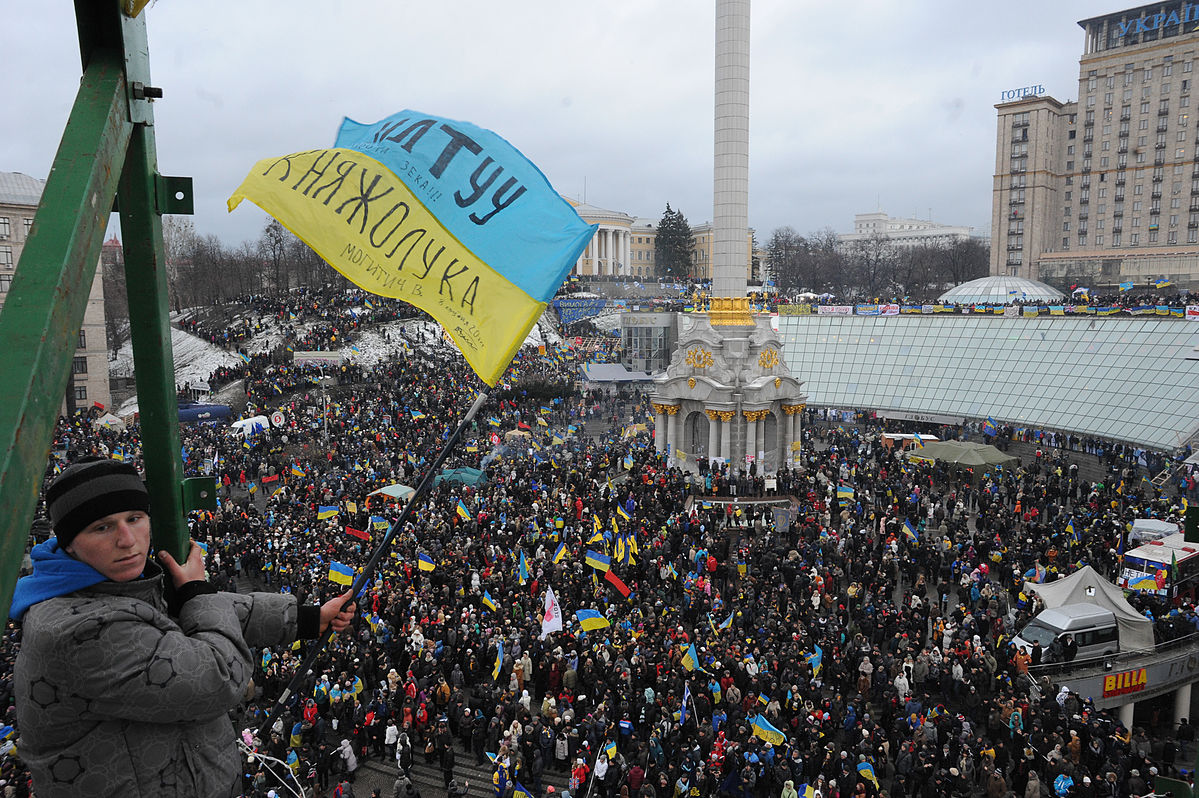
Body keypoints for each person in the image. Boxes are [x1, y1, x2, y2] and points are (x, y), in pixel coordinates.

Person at [11, 458, 356, 798]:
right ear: (70, 540)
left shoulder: (103, 581)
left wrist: (309, 618)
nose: (128, 540)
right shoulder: (77, 630)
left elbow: (191, 610)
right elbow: (218, 676)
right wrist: (196, 590)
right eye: (102, 527)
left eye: (134, 518)